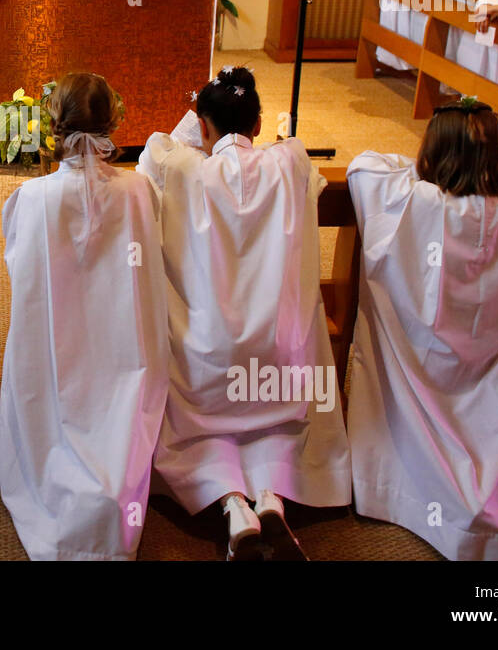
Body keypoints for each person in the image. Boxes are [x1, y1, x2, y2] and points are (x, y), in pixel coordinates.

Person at [137, 67, 351, 560]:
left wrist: (199, 123)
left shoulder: (180, 168)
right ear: (257, 125)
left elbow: (159, 150)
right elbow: (294, 154)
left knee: (195, 398)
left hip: (207, 352)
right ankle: (272, 498)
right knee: (273, 410)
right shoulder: (290, 161)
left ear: (203, 127)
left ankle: (234, 507)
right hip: (276, 349)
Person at [346, 97, 498, 560]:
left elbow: (364, 164)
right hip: (488, 360)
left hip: (419, 357)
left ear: (430, 152)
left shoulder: (409, 198)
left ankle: (404, 490)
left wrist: (425, 169)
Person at [0, 73, 168, 560]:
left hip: (54, 351)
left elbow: (21, 272)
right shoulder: (139, 191)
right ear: (113, 123)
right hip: (122, 351)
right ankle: (111, 482)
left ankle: (60, 479)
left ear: (55, 127)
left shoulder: (31, 199)